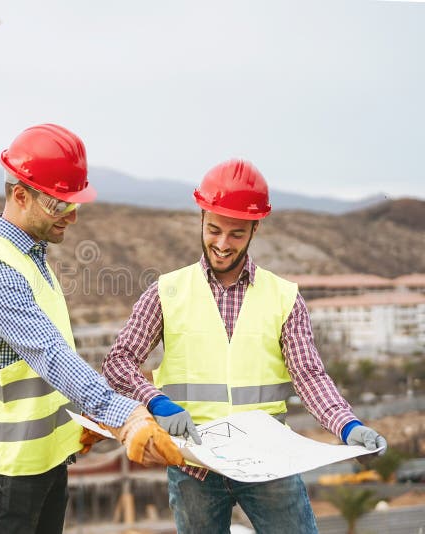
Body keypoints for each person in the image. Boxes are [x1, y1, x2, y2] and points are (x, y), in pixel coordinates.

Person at [102, 159, 387, 534]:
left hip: (269, 463)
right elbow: (118, 362)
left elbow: (308, 375)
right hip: (194, 465)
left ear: (255, 228)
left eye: (236, 234)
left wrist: (346, 425)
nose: (222, 244)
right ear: (201, 218)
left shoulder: (283, 297)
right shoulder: (166, 292)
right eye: (214, 229)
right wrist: (158, 402)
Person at [0, 123, 184, 534]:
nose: (73, 216)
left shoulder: (30, 258)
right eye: (60, 205)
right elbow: (51, 355)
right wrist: (123, 418)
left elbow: (36, 370)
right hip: (7, 473)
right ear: (20, 195)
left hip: (44, 462)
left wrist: (86, 418)